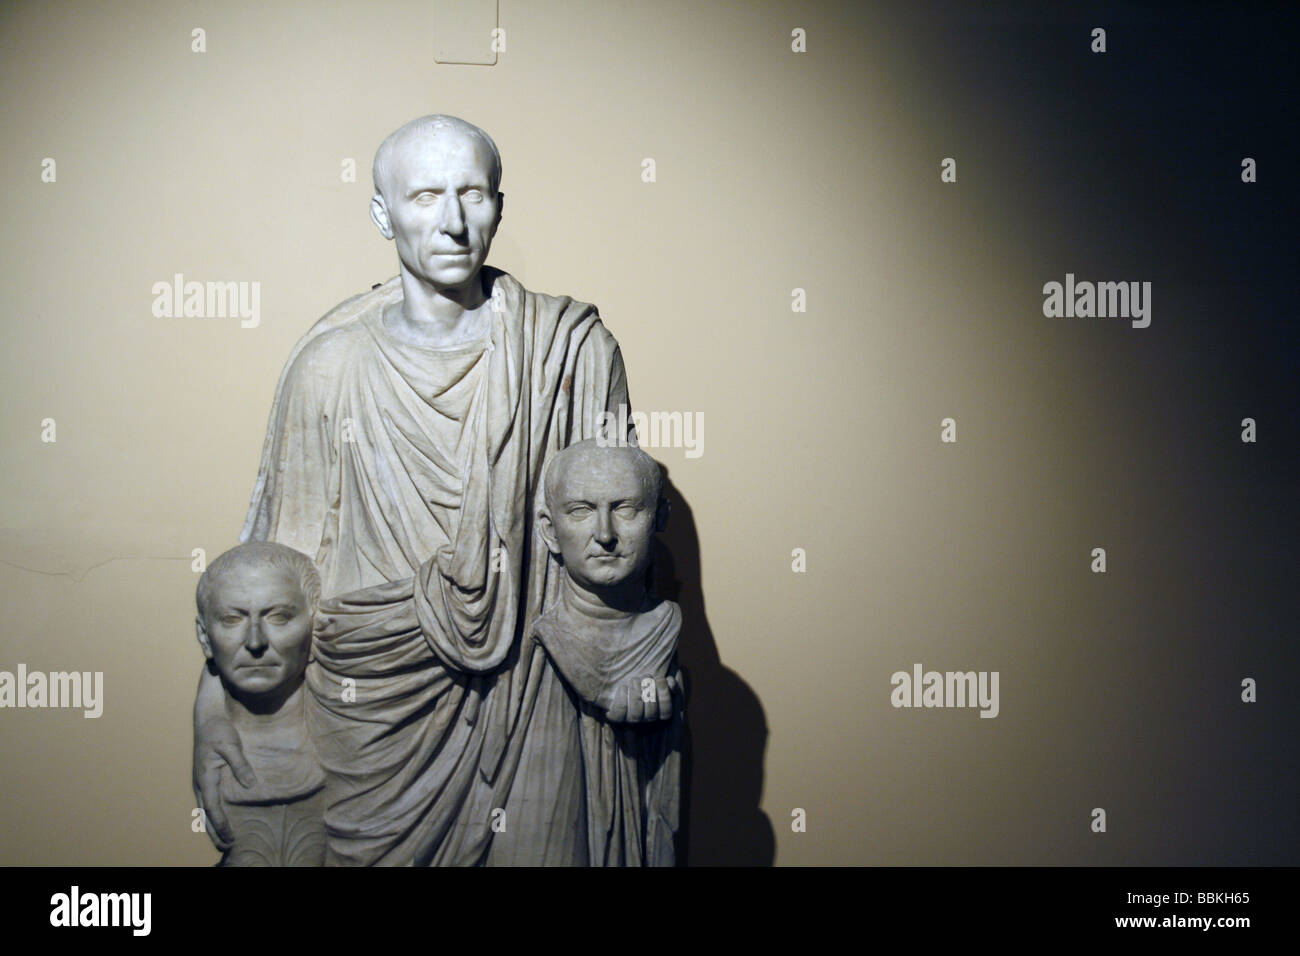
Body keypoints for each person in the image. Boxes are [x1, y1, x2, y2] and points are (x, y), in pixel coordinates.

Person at [193, 115, 667, 865]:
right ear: (383, 215)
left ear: (499, 207)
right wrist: (218, 702)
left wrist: (638, 661)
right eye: (424, 197)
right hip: (370, 703)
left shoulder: (570, 351)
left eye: (472, 194)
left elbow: (619, 541)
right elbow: (275, 561)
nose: (452, 221)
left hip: (533, 688)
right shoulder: (329, 366)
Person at [524, 439, 682, 865]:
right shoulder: (540, 645)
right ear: (548, 530)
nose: (605, 535)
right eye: (580, 510)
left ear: (659, 517)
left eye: (626, 509)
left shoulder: (666, 629)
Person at [193, 542, 326, 866]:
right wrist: (208, 719)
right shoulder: (218, 752)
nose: (255, 642)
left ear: (314, 626)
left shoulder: (351, 723)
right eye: (231, 619)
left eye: (279, 617)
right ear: (204, 637)